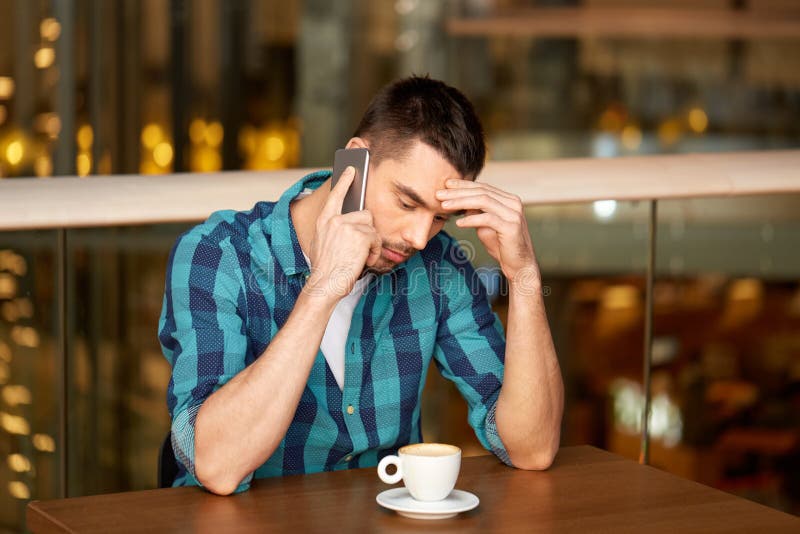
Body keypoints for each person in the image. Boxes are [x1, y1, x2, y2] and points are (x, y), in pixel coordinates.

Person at [158, 75, 563, 495]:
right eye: (407, 203)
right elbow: (217, 465)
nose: (420, 237)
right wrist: (324, 288)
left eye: (440, 216)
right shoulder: (219, 254)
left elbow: (531, 449)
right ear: (354, 163)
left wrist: (524, 277)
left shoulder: (439, 266)